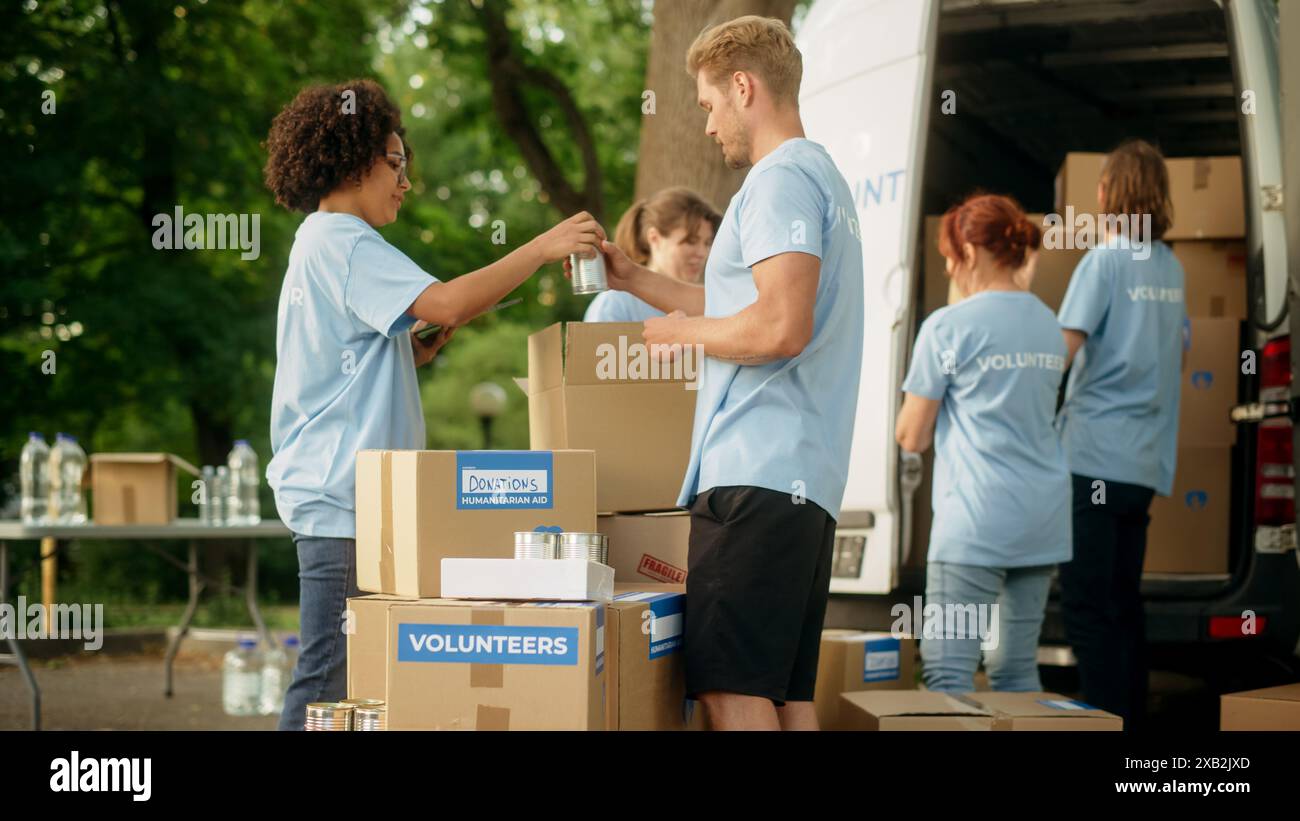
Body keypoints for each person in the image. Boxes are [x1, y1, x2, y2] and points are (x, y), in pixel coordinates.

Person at [261, 79, 603, 730]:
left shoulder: (321, 242)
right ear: (354, 159)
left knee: (355, 685)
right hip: (342, 506)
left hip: (351, 504)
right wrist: (541, 246)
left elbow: (350, 364)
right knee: (327, 684)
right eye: (396, 163)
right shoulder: (342, 238)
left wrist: (411, 354)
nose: (405, 182)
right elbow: (444, 301)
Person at [571, 16, 864, 730]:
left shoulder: (779, 180)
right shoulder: (822, 176)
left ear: (743, 87)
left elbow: (779, 325)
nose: (706, 127)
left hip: (755, 478)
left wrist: (682, 334)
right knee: (786, 696)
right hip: (802, 482)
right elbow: (742, 303)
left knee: (731, 692)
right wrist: (636, 278)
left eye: (707, 106)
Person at [896, 194, 1071, 694]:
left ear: (968, 253)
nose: (947, 266)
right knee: (1016, 671)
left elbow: (912, 435)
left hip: (975, 521)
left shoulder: (948, 328)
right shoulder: (1048, 324)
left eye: (949, 255)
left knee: (949, 672)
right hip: (1041, 521)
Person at [1056, 139, 1186, 728]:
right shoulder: (1171, 267)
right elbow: (1179, 355)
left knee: (1087, 611)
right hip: (1144, 465)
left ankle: (1105, 727)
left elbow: (1061, 353)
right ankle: (1134, 730)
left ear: (1109, 194)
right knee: (1124, 606)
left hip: (1094, 460)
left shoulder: (1105, 261)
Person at [583, 187, 720, 322]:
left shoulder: (712, 304)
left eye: (707, 243)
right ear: (654, 238)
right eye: (691, 241)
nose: (703, 253)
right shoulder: (616, 304)